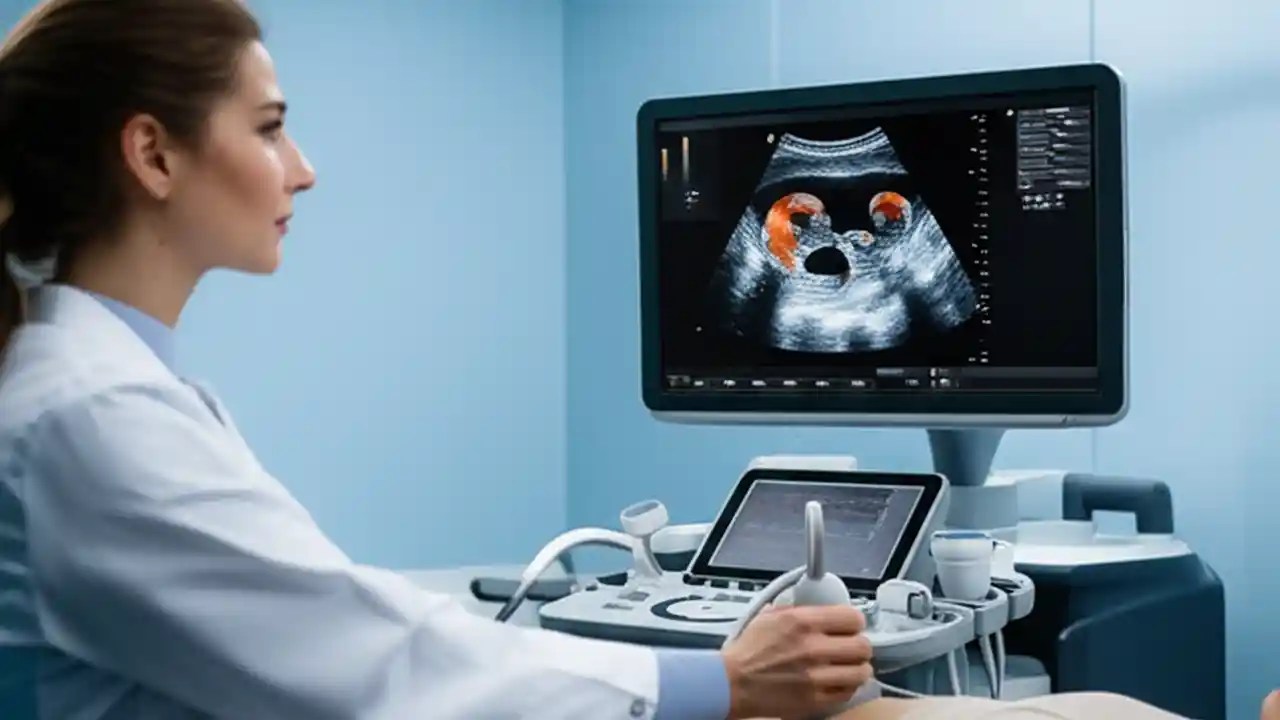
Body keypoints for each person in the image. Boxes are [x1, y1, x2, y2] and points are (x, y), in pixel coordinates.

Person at [0, 1, 879, 718]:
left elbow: (325, 626)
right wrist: (723, 681)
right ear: (153, 155)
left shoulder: (92, 388)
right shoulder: (89, 416)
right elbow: (360, 656)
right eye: (268, 130)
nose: (301, 170)